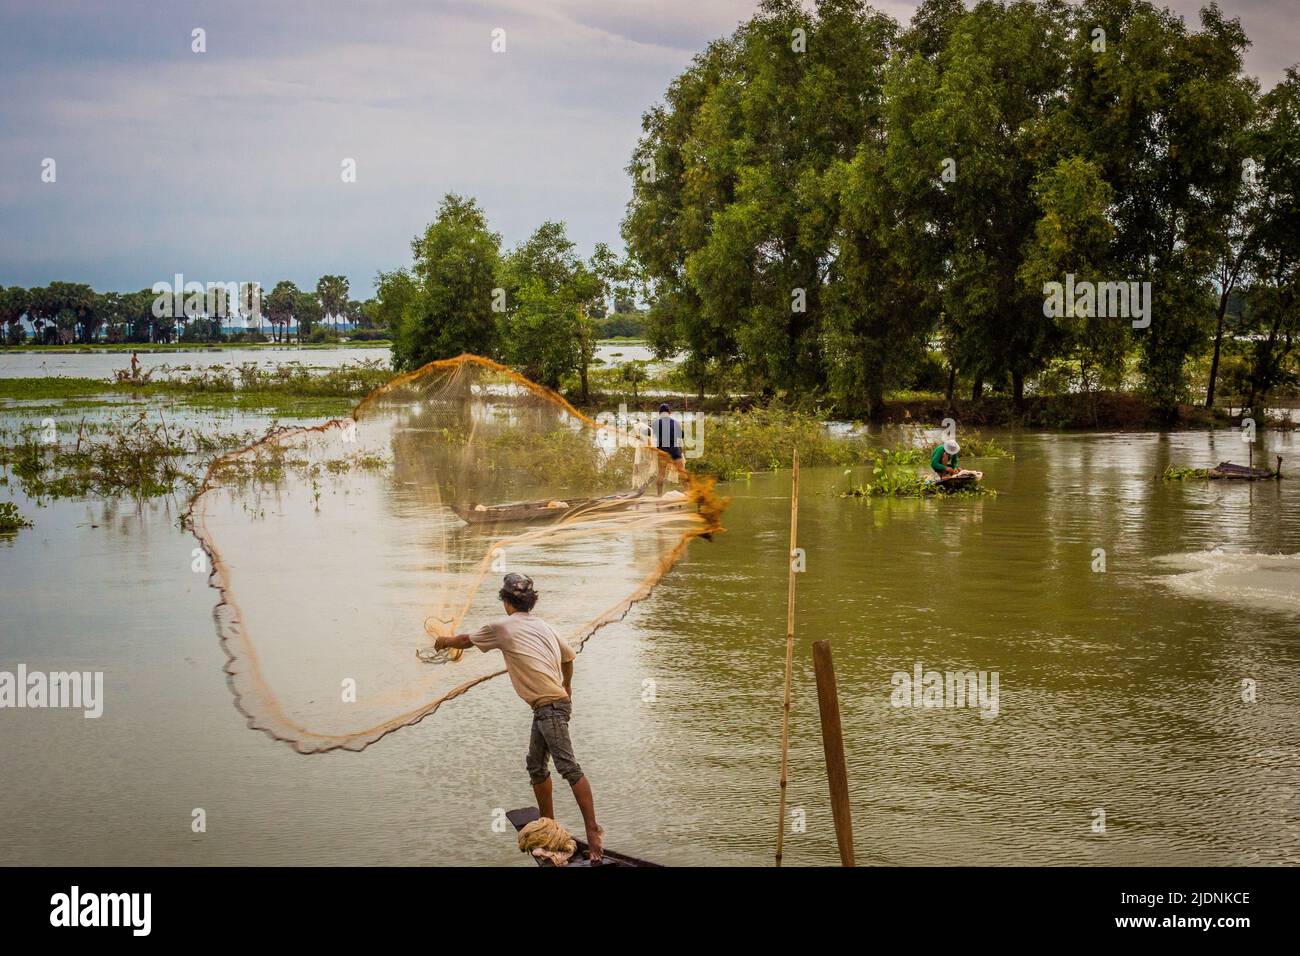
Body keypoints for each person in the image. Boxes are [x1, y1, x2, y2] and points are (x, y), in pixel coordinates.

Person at [433, 573, 603, 861]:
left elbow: (464, 640)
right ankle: (549, 828)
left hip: (550, 706)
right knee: (536, 766)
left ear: (506, 602)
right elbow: (569, 656)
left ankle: (593, 830)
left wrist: (442, 640)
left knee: (568, 767)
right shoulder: (544, 626)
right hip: (549, 705)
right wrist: (567, 685)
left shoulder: (502, 626)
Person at [652, 402, 686, 496]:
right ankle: (689, 492)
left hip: (662, 450)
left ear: (660, 413)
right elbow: (682, 435)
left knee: (661, 473)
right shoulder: (675, 422)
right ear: (669, 412)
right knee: (682, 471)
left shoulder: (656, 423)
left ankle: (659, 496)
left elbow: (650, 434)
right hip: (674, 449)